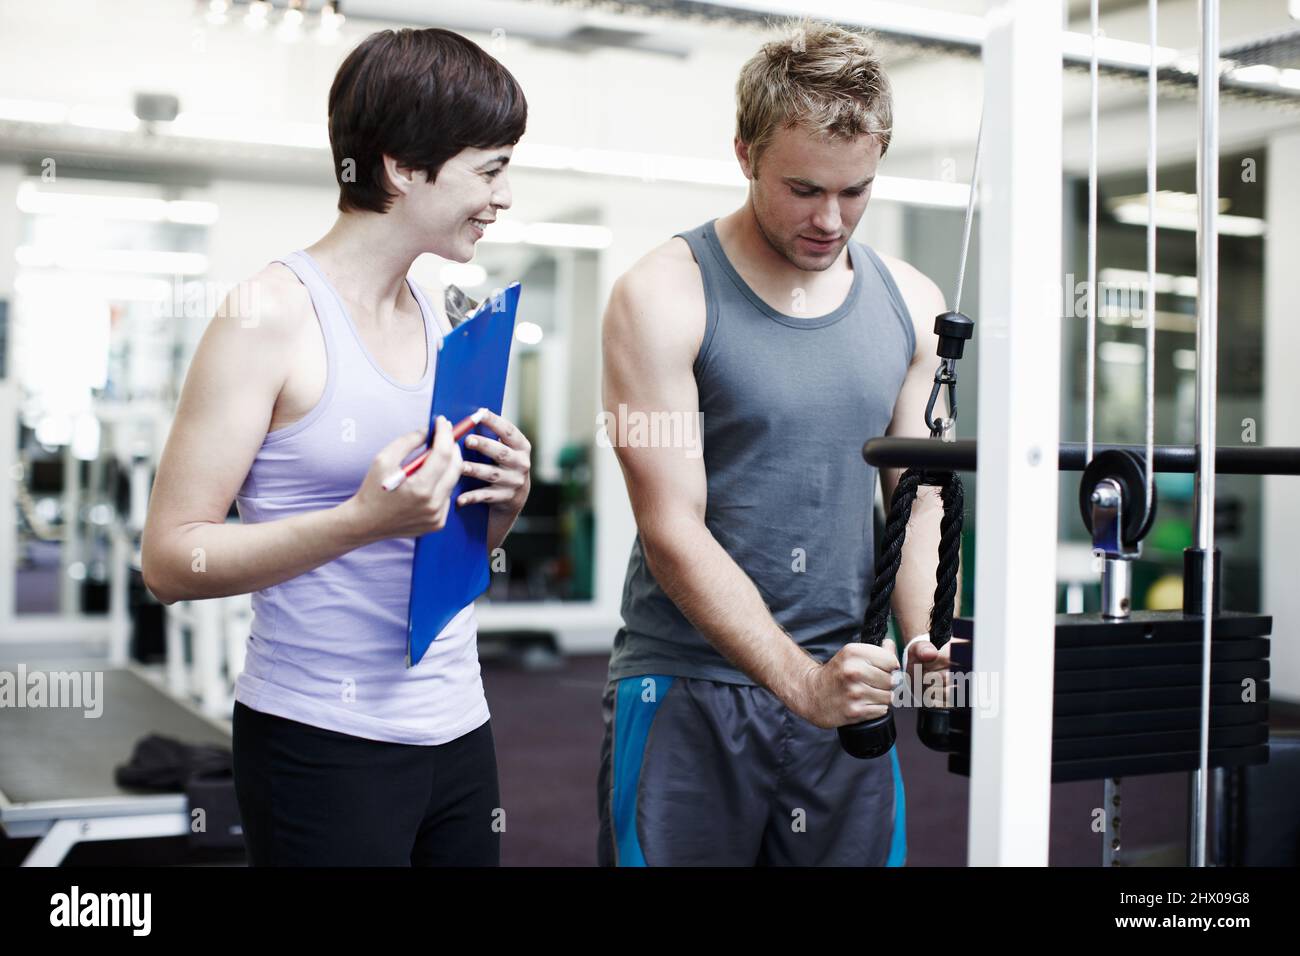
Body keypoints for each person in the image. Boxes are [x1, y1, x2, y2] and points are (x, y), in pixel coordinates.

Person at [142, 28, 532, 866]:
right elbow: (171, 562)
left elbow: (447, 553)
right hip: (322, 738)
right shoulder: (270, 314)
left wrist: (499, 505)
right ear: (402, 167)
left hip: (459, 725)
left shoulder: (443, 312)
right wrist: (359, 520)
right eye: (491, 169)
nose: (504, 196)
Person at [597, 19, 959, 866]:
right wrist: (799, 683)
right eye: (803, 190)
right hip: (690, 684)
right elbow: (670, 526)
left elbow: (917, 494)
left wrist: (919, 636)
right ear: (744, 153)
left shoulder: (910, 301)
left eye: (855, 191)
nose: (831, 220)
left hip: (849, 685)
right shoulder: (661, 296)